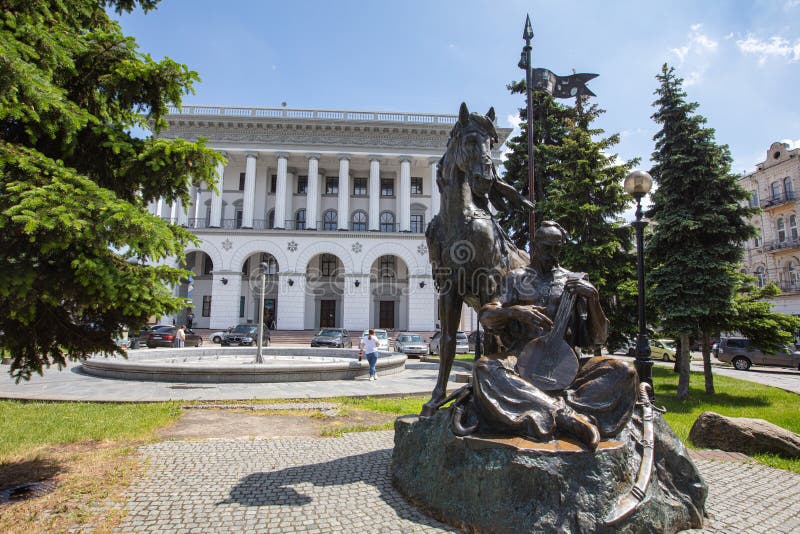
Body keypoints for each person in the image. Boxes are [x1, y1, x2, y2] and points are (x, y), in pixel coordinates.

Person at [470, 221, 638, 449]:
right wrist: (514, 312)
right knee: (485, 369)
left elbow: (598, 338)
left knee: (624, 372)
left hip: (567, 367)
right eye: (547, 248)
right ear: (535, 246)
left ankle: (545, 407)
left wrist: (594, 300)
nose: (552, 254)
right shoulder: (516, 278)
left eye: (557, 248)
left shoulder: (574, 282)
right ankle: (565, 415)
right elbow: (487, 317)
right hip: (520, 364)